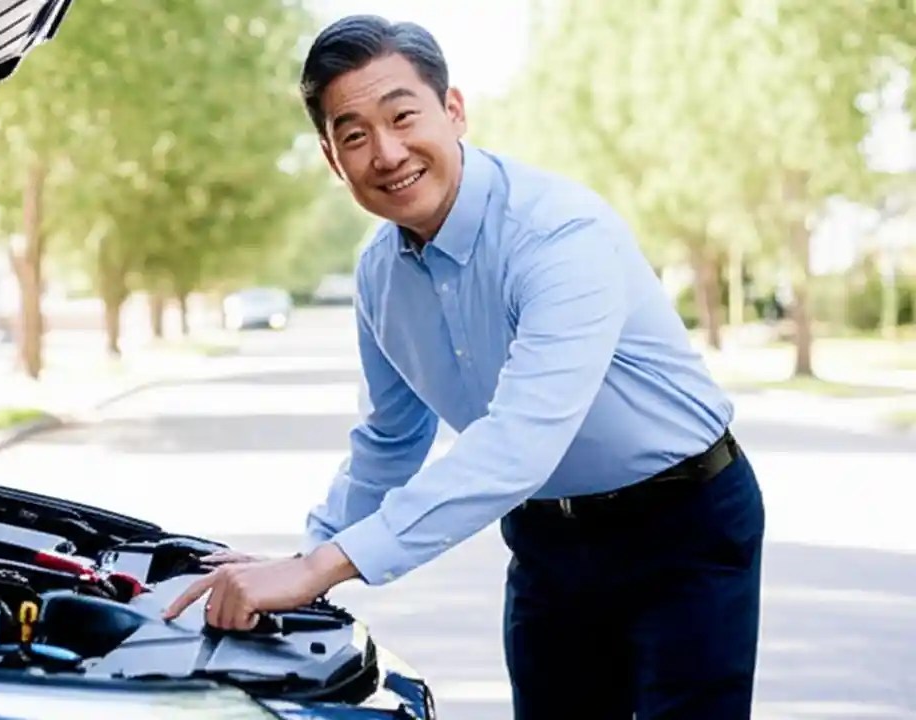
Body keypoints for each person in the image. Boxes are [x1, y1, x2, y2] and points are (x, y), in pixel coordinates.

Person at [163, 14, 764, 719]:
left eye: (403, 116)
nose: (387, 153)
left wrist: (312, 572)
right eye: (354, 135)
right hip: (546, 543)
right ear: (332, 159)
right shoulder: (378, 277)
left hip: (684, 526)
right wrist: (305, 565)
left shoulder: (558, 234)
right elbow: (390, 442)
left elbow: (518, 442)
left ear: (453, 111)